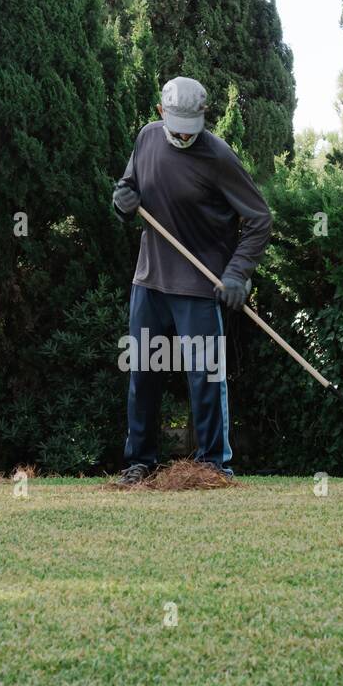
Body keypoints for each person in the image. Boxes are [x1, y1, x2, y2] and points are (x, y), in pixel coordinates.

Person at [111, 76, 273, 484]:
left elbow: (259, 219)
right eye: (175, 123)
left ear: (204, 116)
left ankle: (212, 466)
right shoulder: (147, 139)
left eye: (191, 125)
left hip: (201, 287)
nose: (183, 134)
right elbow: (129, 188)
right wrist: (123, 202)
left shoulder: (218, 156)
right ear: (160, 112)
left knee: (206, 377)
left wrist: (237, 273)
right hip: (149, 281)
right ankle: (140, 462)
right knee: (143, 372)